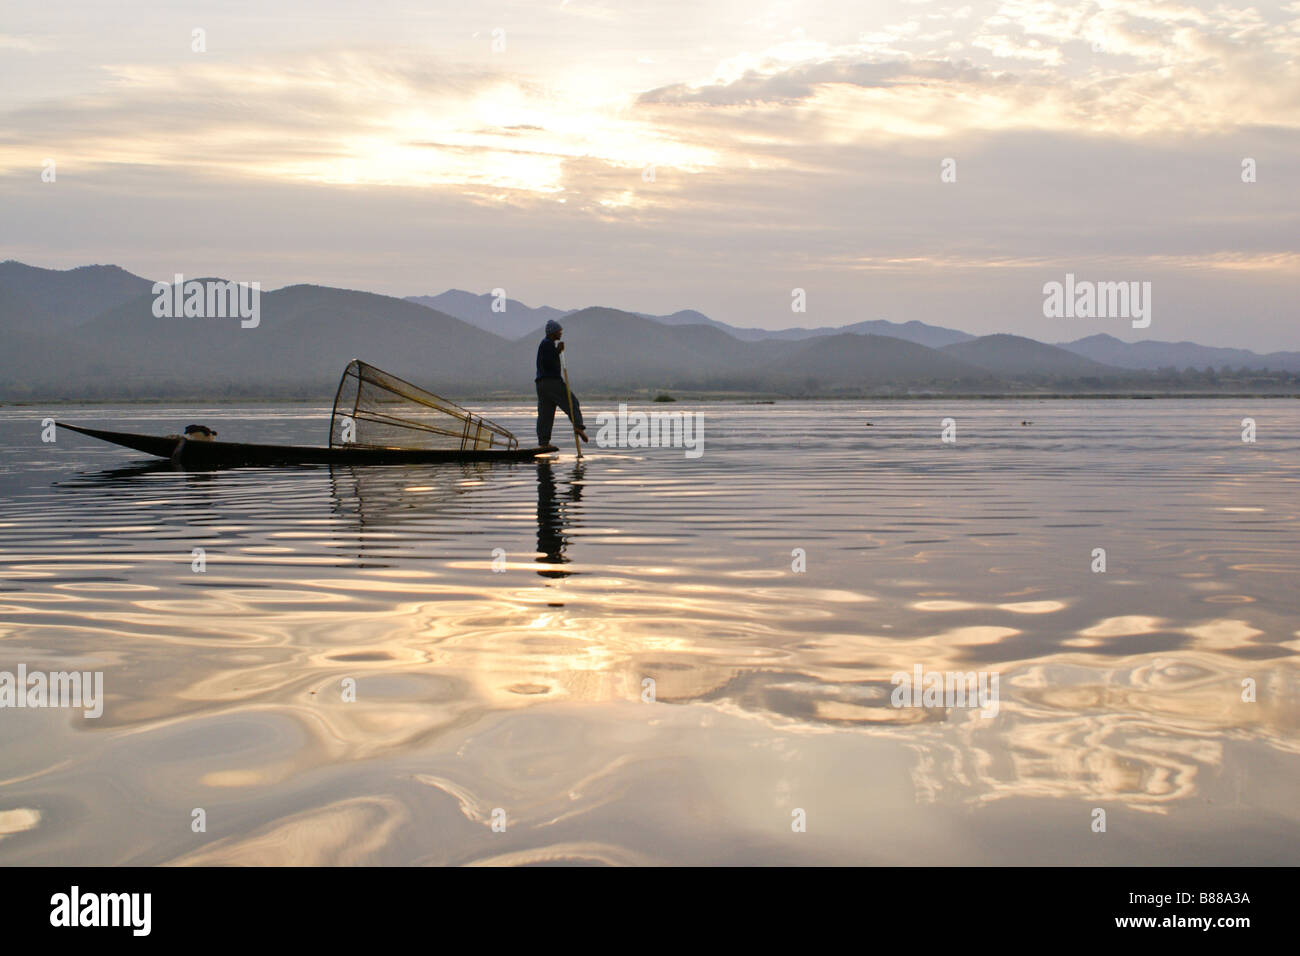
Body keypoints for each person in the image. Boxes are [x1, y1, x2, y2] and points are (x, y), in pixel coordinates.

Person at [536, 319, 589, 447]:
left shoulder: (545, 344)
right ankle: (578, 426)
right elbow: (548, 362)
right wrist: (557, 351)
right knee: (572, 402)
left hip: (541, 384)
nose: (561, 333)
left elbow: (547, 361)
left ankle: (544, 442)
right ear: (553, 332)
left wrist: (557, 351)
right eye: (559, 331)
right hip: (552, 382)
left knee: (546, 414)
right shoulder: (547, 344)